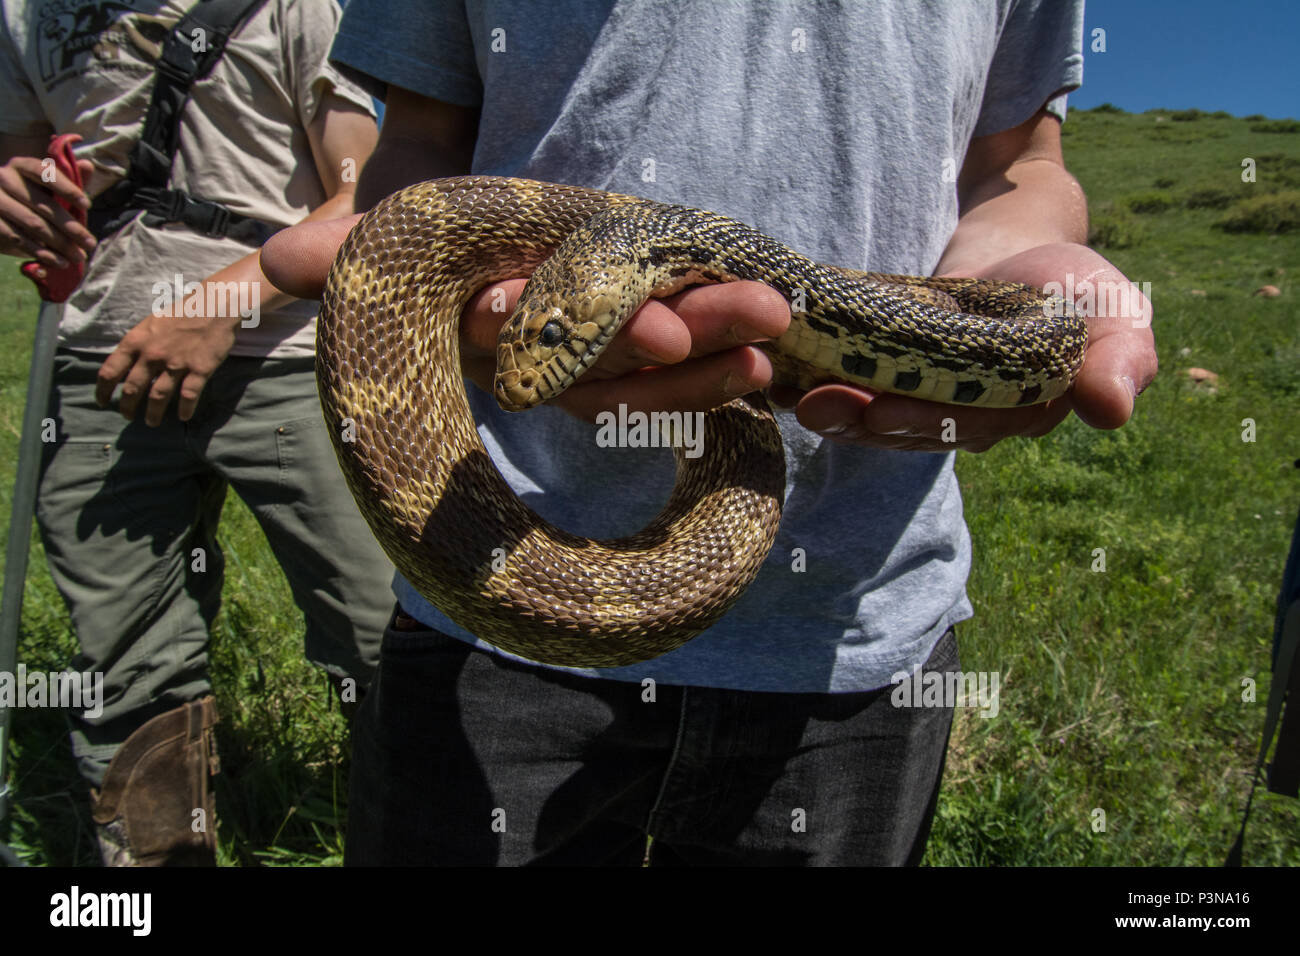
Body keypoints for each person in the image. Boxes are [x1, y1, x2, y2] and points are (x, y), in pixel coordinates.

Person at [263, 0, 1158, 865]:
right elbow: (419, 141)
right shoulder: (605, 267)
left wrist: (1011, 276)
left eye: (558, 341)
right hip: (486, 637)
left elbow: (1021, 165)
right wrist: (424, 274)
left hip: (856, 631)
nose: (532, 378)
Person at [0, 0, 395, 865]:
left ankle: (413, 836)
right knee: (125, 665)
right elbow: (21, 159)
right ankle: (151, 878)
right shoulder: (27, 11)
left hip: (286, 358)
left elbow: (368, 195)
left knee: (380, 634)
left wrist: (219, 305)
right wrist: (17, 198)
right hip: (101, 364)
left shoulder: (298, 6)